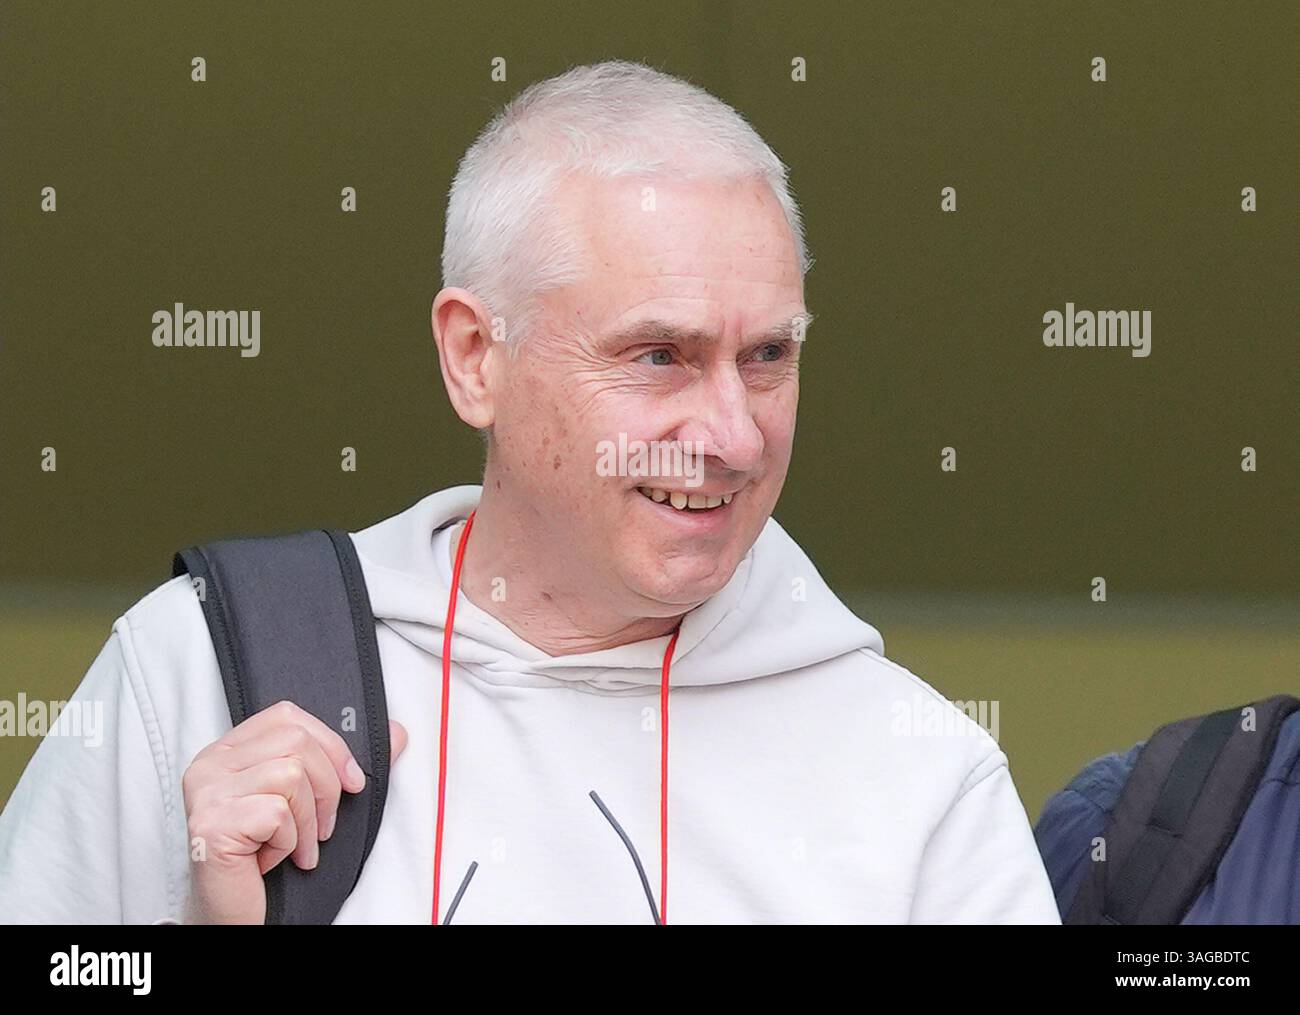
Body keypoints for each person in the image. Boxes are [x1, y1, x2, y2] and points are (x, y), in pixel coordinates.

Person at [0, 60, 1058, 924]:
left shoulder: (920, 781)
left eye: (769, 354)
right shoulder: (204, 670)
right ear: (475, 357)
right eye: (657, 356)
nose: (733, 434)